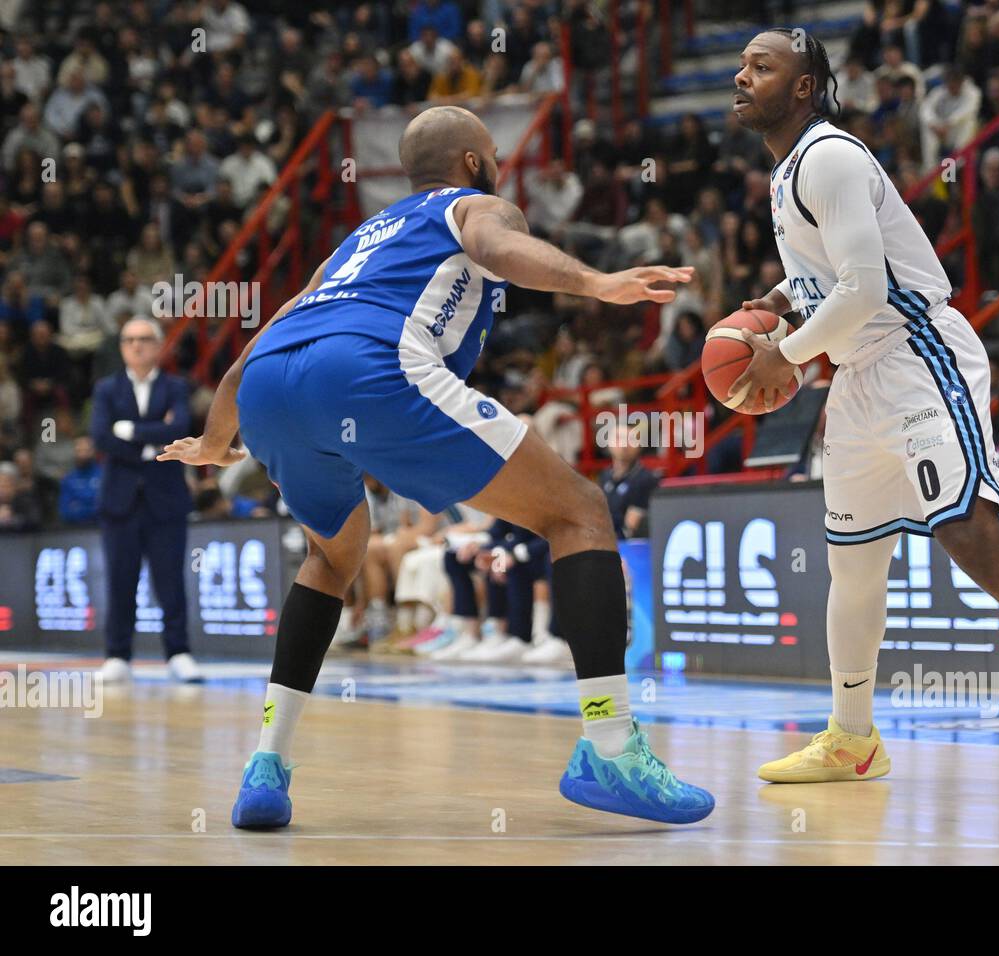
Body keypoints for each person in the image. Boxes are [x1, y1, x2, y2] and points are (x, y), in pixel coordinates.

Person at [158, 106, 712, 828]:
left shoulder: (358, 240)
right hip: (364, 369)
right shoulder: (474, 205)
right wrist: (596, 283)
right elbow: (501, 249)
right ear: (476, 161)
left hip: (269, 384)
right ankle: (610, 746)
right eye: (492, 154)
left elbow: (249, 353)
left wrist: (211, 443)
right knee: (577, 511)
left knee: (333, 558)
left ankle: (267, 763)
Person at [729, 29, 999, 793]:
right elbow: (831, 278)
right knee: (853, 565)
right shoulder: (786, 171)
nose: (741, 75)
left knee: (972, 541)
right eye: (743, 64)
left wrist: (785, 354)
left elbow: (864, 289)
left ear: (803, 87)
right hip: (861, 375)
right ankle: (852, 739)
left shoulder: (829, 155)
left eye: (761, 66)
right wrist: (778, 302)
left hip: (918, 355)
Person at [90, 317, 200, 683]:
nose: (136, 345)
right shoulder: (107, 389)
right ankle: (117, 655)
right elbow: (101, 438)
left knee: (170, 580)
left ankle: (179, 653)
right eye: (129, 339)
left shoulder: (176, 386)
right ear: (122, 347)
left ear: (158, 346)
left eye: (144, 339)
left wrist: (132, 430)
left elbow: (179, 429)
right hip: (119, 502)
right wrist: (153, 438)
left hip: (166, 499)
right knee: (121, 580)